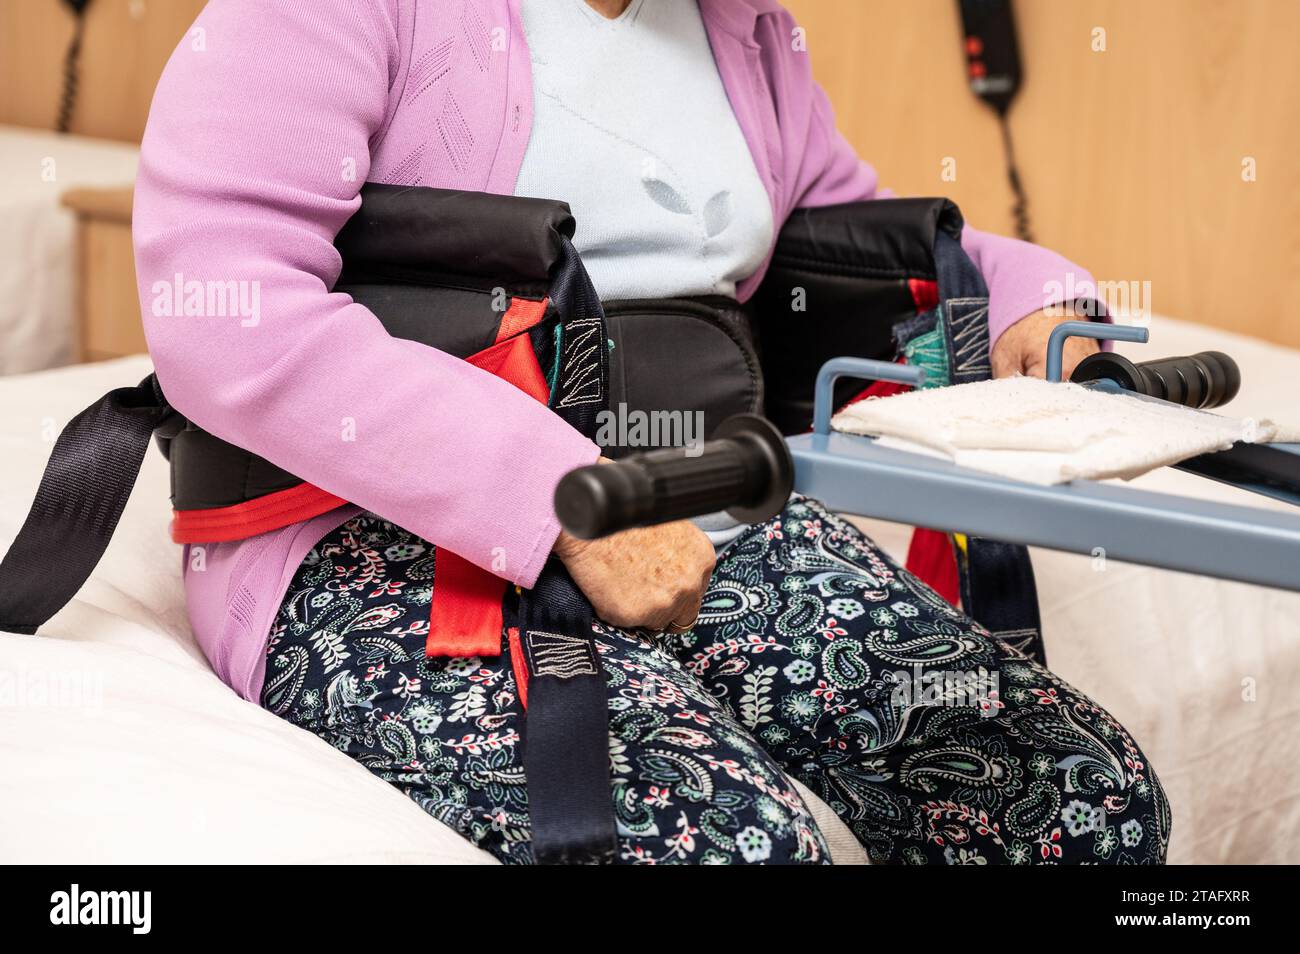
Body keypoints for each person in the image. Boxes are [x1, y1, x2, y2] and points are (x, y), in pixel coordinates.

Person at [133, 0, 1169, 864]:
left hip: (689, 493)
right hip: (379, 527)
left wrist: (1035, 304)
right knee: (737, 844)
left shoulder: (739, 25)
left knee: (1077, 796)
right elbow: (223, 305)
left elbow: (840, 230)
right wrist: (555, 499)